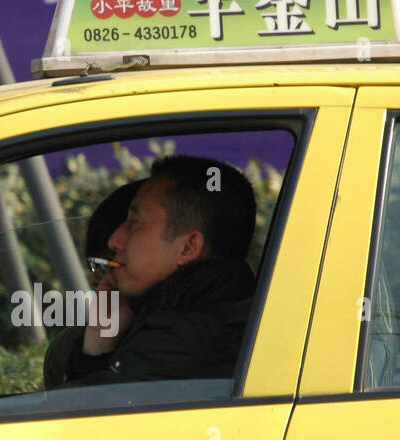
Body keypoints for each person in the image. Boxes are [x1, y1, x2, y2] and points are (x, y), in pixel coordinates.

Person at [48, 155, 257, 387]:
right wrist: (99, 340)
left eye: (134, 222)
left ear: (187, 247)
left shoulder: (179, 342)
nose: (114, 241)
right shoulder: (230, 314)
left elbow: (74, 418)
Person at [42, 180, 140, 389]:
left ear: (188, 248)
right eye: (96, 266)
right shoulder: (70, 346)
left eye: (110, 265)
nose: (97, 281)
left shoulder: (184, 342)